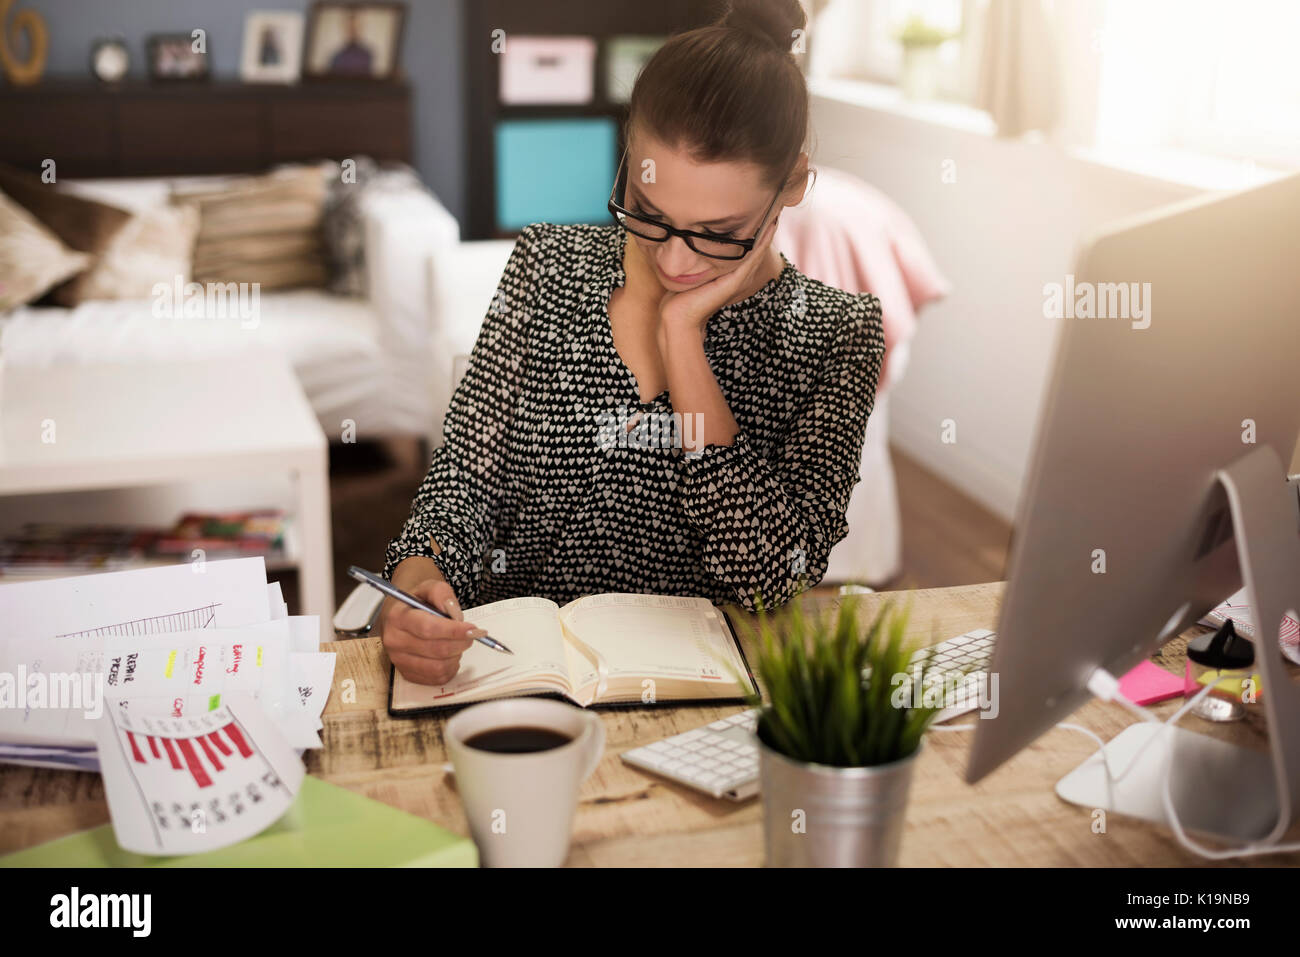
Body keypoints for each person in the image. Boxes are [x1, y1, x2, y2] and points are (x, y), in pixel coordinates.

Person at [381, 0, 885, 685]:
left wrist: (684, 341)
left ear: (792, 185)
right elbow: (464, 483)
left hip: (699, 711)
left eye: (717, 231)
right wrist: (419, 575)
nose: (675, 262)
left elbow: (770, 578)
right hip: (516, 686)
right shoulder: (546, 266)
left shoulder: (835, 335)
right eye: (649, 214)